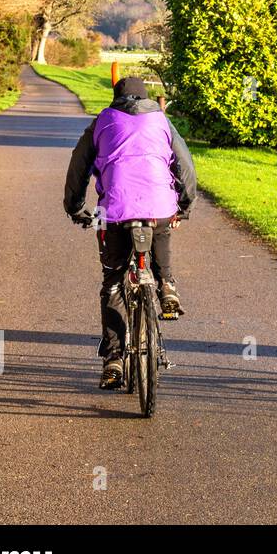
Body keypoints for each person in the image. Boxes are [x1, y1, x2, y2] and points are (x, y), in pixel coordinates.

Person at [63, 76, 197, 389]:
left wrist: (76, 208)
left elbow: (78, 166)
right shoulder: (161, 120)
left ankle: (113, 360)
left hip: (115, 211)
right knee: (162, 226)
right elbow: (185, 166)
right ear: (146, 97)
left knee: (112, 280)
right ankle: (166, 286)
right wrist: (184, 206)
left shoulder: (103, 121)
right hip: (158, 207)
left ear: (116, 97)